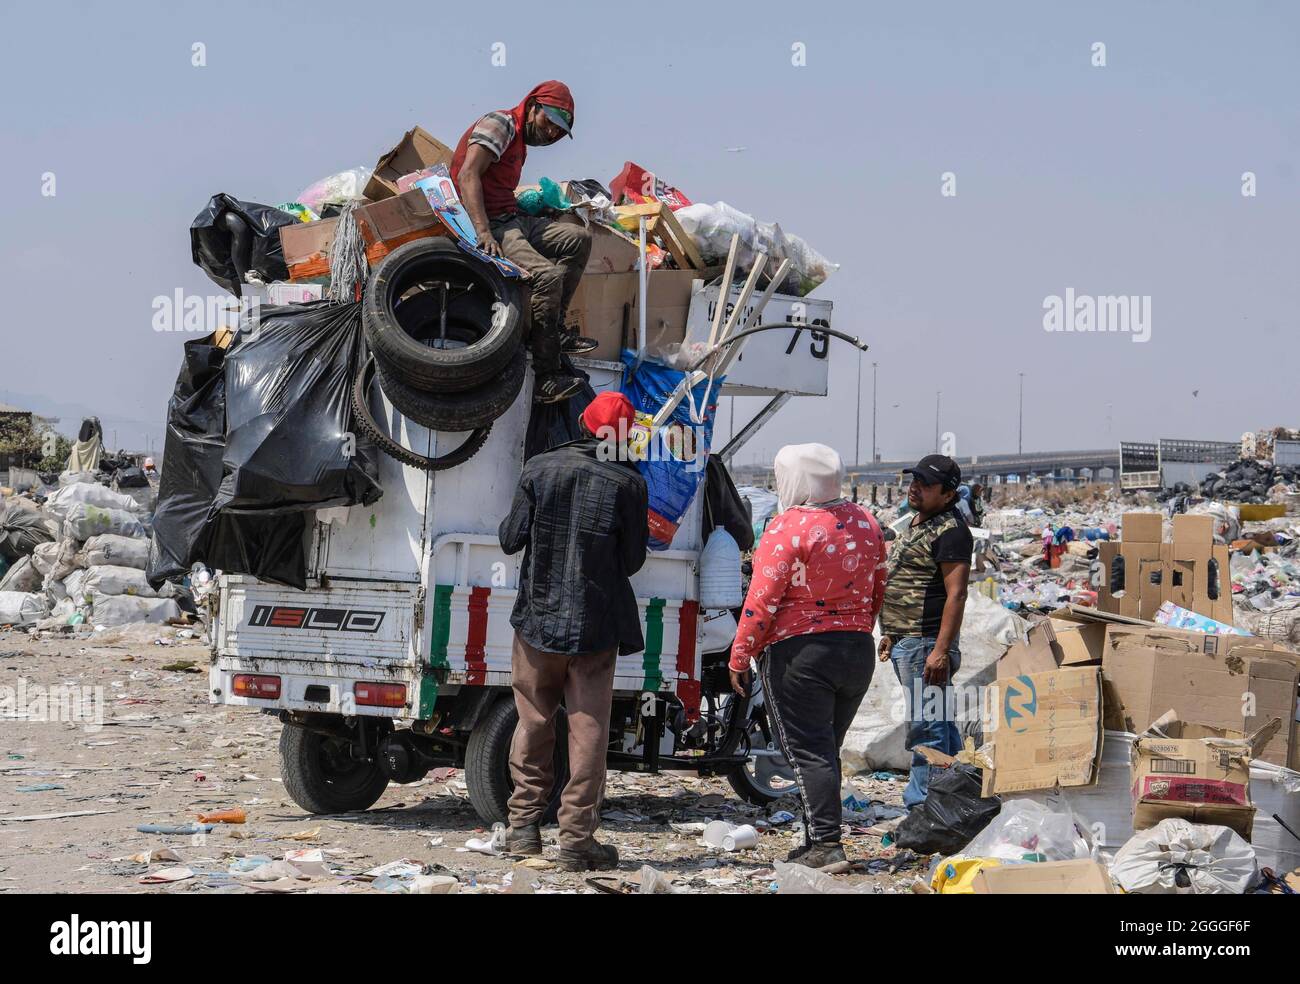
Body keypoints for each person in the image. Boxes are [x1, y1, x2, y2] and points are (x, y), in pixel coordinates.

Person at [497, 390, 649, 871]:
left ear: (584, 423)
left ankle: (522, 829)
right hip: (595, 624)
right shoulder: (629, 482)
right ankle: (576, 842)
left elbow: (509, 538)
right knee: (588, 732)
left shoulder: (540, 468)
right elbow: (633, 561)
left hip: (538, 620)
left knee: (534, 721)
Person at [728, 444, 887, 869]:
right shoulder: (866, 521)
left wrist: (740, 654)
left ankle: (827, 846)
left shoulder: (788, 528)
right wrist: (859, 629)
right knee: (823, 751)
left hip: (801, 654)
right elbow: (877, 587)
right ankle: (816, 840)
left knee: (806, 753)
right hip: (856, 649)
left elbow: (762, 599)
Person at [451, 80, 596, 405]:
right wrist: (483, 232)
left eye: (559, 132)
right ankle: (547, 376)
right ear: (532, 106)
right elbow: (468, 175)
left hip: (510, 217)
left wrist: (536, 208)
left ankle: (553, 325)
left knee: (578, 238)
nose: (552, 135)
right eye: (550, 124)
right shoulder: (501, 123)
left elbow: (498, 190)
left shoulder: (519, 144)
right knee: (547, 276)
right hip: (492, 224)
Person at [877, 454, 972, 810]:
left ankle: (924, 806)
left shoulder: (951, 532)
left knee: (927, 729)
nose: (915, 488)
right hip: (910, 641)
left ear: (948, 494)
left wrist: (941, 650)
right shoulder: (918, 522)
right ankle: (961, 797)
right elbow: (909, 581)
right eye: (913, 480)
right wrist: (891, 632)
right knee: (940, 724)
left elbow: (956, 594)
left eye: (925, 484)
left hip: (927, 644)